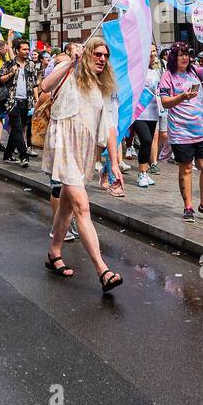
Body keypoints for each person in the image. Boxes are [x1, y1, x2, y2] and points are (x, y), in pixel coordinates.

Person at [39, 36, 124, 292]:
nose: (102, 59)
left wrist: (115, 163)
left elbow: (109, 126)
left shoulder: (102, 85)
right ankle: (102, 270)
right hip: (64, 142)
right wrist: (69, 63)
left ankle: (54, 253)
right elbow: (45, 85)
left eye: (106, 56)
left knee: (66, 206)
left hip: (83, 148)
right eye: (97, 54)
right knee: (81, 205)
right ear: (87, 54)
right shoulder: (70, 71)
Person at [159, 39, 203, 222]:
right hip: (180, 132)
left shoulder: (195, 71)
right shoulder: (168, 76)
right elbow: (164, 102)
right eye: (180, 55)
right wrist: (182, 97)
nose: (184, 58)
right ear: (173, 57)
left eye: (186, 54)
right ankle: (188, 207)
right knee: (186, 168)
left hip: (201, 130)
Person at [0, 38, 35, 166]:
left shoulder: (31, 64)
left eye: (28, 49)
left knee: (17, 129)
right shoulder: (9, 64)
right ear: (17, 51)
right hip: (12, 101)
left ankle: (7, 155)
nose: (27, 51)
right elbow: (0, 79)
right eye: (24, 49)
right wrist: (11, 73)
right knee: (18, 129)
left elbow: (34, 84)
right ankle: (24, 157)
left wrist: (35, 101)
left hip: (26, 101)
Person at [131, 46, 162, 188]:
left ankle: (145, 171)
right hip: (138, 112)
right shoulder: (135, 71)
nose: (152, 54)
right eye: (149, 51)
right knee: (146, 139)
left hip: (153, 112)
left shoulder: (157, 71)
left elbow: (160, 89)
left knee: (148, 143)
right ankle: (141, 173)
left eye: (154, 51)